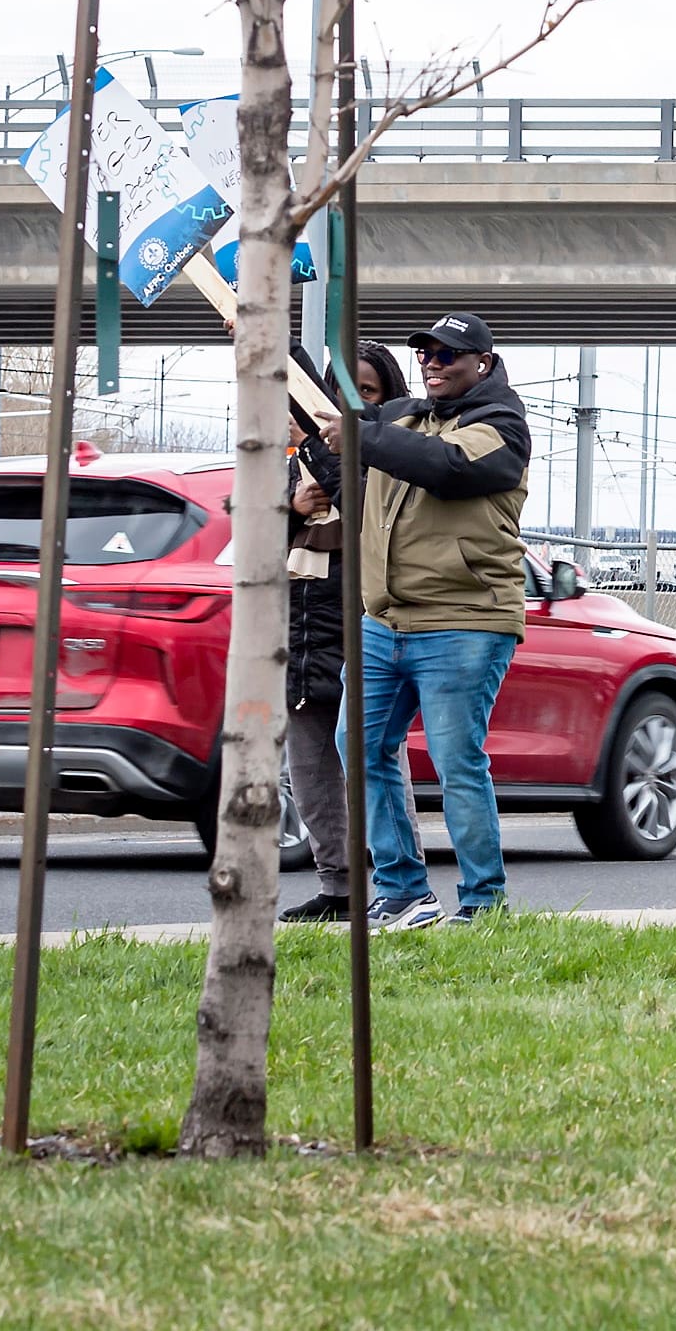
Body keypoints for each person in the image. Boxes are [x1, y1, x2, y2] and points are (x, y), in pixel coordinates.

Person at [344, 311, 533, 930]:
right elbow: (330, 413)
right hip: (383, 620)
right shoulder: (403, 416)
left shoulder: (502, 427)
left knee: (456, 761)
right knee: (360, 745)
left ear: (482, 362)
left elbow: (444, 467)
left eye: (448, 354)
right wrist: (275, 346)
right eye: (424, 352)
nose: (432, 362)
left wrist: (358, 431)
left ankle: (483, 903)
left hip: (465, 619)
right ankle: (403, 892)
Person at [277, 341, 409, 925]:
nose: (348, 405)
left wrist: (313, 440)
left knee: (371, 762)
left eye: (367, 393)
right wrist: (293, 510)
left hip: (364, 633)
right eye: (338, 392)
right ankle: (338, 888)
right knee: (310, 775)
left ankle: (395, 885)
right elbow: (251, 543)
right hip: (303, 637)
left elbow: (356, 500)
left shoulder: (390, 459)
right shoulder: (297, 464)